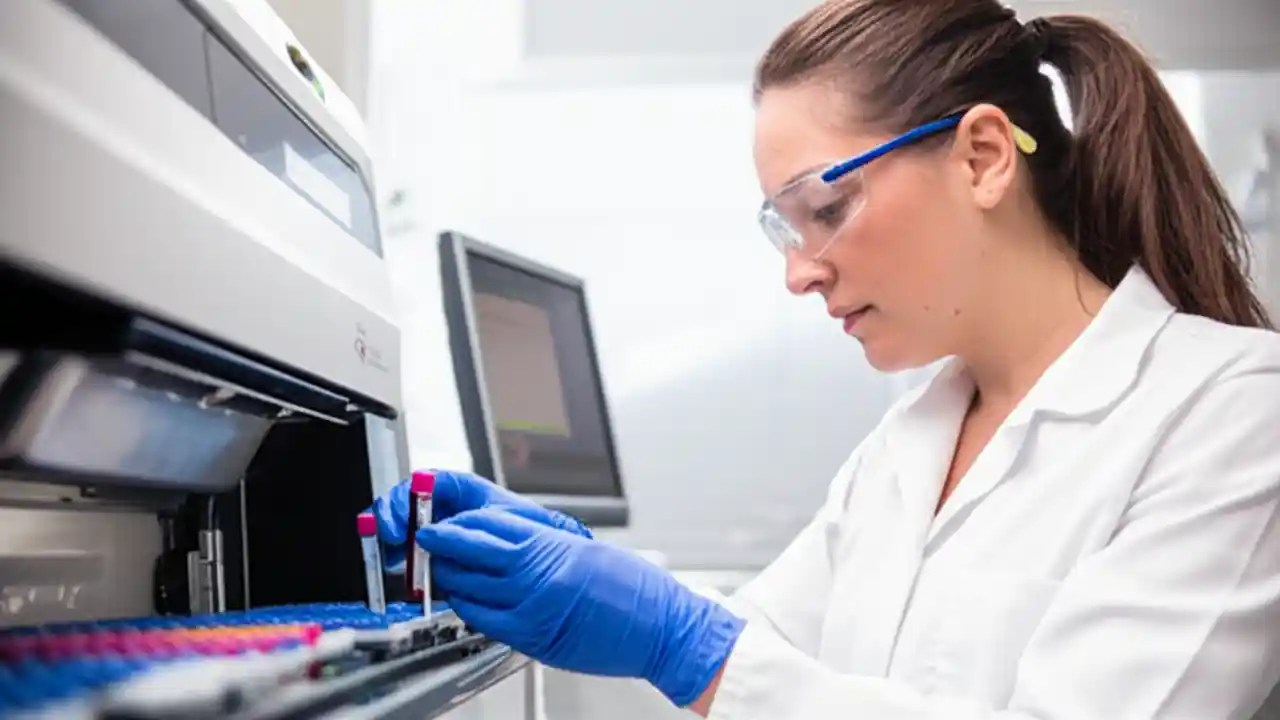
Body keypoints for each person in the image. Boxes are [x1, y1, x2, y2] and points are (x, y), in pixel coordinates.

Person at [371, 1, 1280, 717]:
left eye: (828, 208)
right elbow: (760, 654)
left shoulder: (1230, 411)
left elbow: (719, 659)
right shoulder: (909, 443)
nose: (801, 274)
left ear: (984, 157)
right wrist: (578, 572)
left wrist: (676, 638)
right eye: (783, 228)